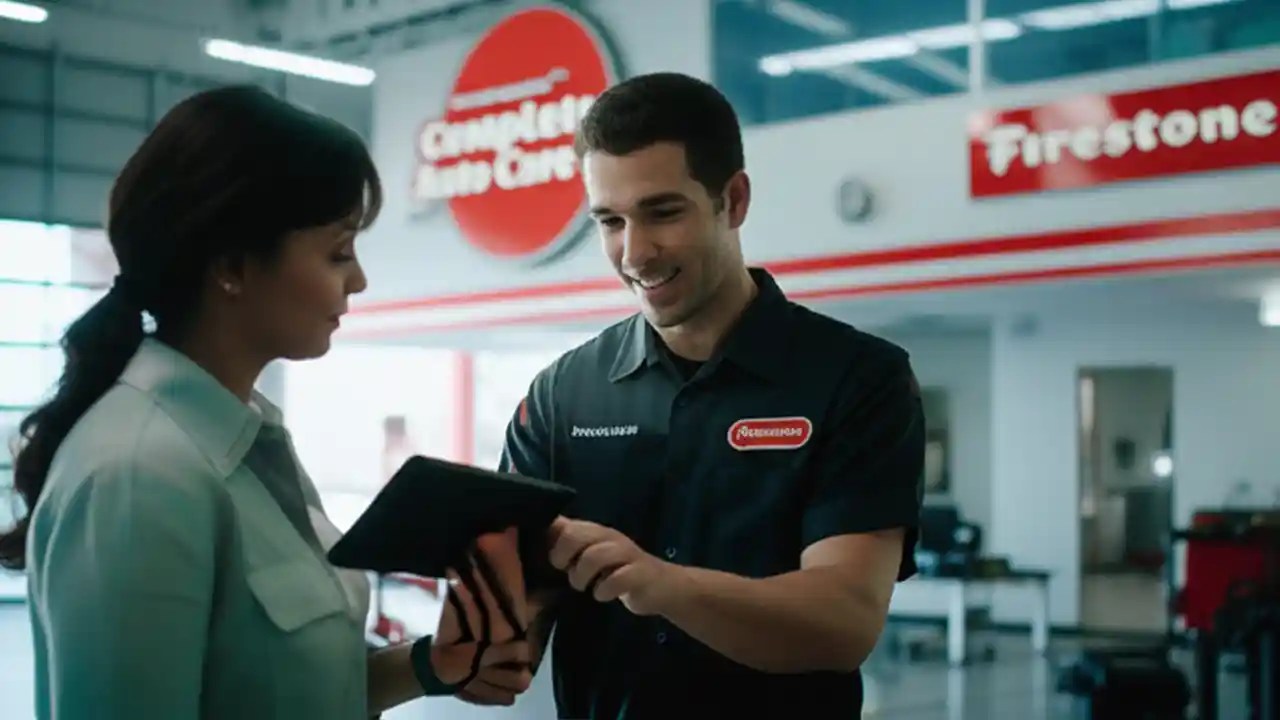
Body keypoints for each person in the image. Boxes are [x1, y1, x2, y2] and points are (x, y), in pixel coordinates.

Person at [0, 85, 531, 719]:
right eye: (338, 251)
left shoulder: (247, 442)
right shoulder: (140, 475)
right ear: (232, 264)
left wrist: (428, 666)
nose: (358, 279)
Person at [482, 72, 925, 716]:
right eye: (610, 221)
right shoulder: (562, 394)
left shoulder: (859, 379)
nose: (634, 253)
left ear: (734, 200)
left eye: (663, 213)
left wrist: (662, 585)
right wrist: (486, 631)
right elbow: (520, 604)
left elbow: (843, 621)